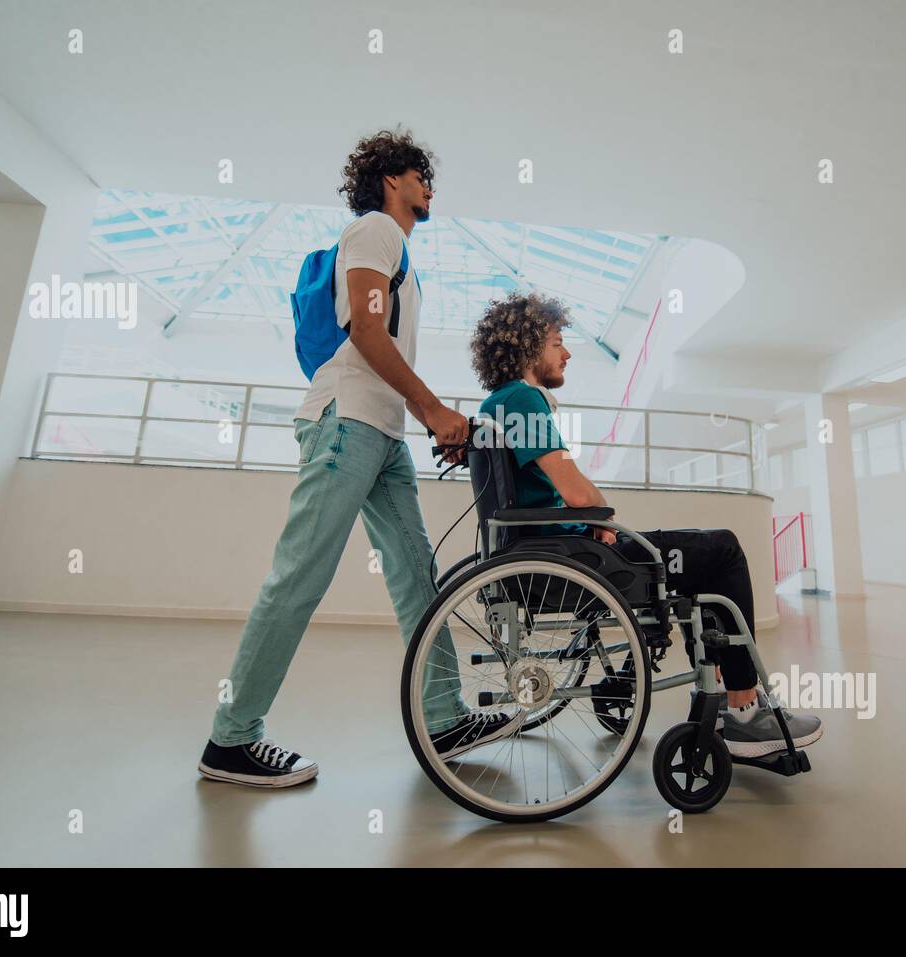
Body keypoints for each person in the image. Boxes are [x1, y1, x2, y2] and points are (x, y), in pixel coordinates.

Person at [198, 129, 521, 789]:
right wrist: (435, 410)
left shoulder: (393, 247)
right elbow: (366, 332)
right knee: (297, 579)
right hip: (346, 424)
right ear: (394, 179)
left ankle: (443, 716)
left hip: (379, 432)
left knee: (416, 577)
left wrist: (418, 415)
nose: (429, 189)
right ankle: (230, 739)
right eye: (422, 176)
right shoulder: (377, 230)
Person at [470, 292, 823, 758]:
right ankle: (740, 706)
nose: (567, 352)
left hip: (547, 552)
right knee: (723, 551)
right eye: (558, 341)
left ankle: (723, 696)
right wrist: (604, 515)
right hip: (568, 557)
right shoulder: (523, 398)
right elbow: (576, 493)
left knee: (704, 559)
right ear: (529, 344)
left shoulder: (497, 403)